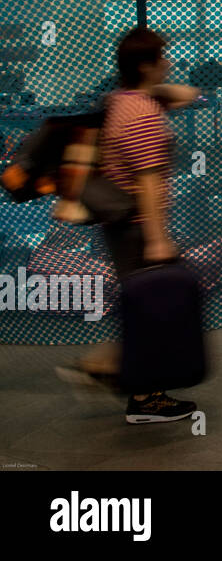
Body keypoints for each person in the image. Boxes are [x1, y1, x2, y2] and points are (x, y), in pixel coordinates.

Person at [56, 27, 200, 423]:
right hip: (139, 226)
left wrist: (156, 89)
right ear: (145, 65)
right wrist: (158, 239)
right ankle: (114, 377)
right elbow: (150, 182)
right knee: (154, 311)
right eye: (162, 58)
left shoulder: (121, 101)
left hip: (123, 225)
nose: (169, 62)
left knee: (146, 311)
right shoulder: (142, 117)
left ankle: (125, 381)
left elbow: (189, 95)